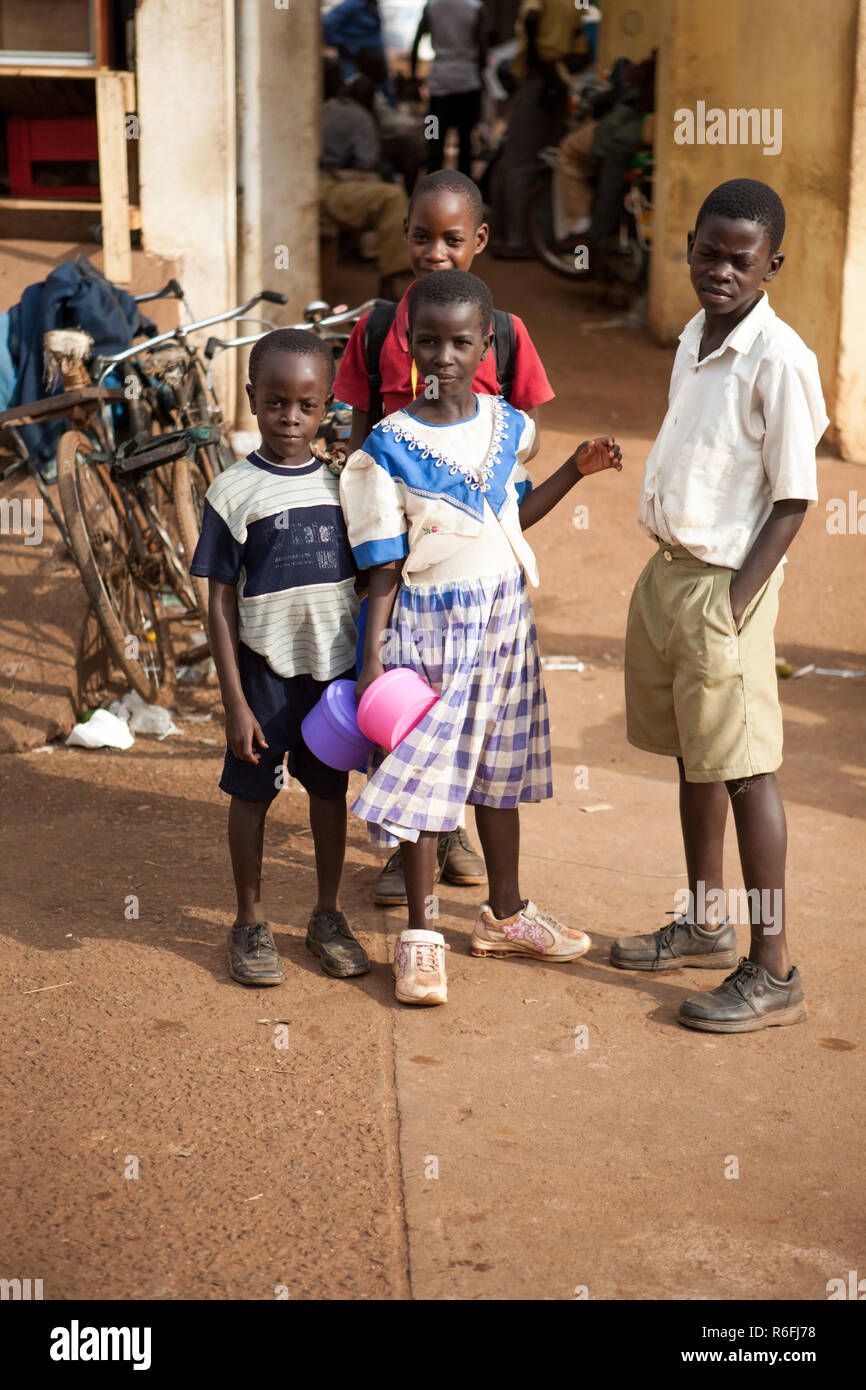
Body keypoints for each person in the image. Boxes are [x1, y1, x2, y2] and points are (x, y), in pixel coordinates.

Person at [340, 269, 622, 1004]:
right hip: (429, 631)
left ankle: (504, 913)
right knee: (427, 786)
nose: (442, 358)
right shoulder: (385, 449)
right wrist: (372, 661)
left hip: (504, 623)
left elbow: (510, 521)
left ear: (486, 343)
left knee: (500, 774)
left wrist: (575, 471)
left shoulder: (508, 428)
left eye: (460, 342)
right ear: (406, 346)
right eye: (426, 342)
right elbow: (382, 569)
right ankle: (422, 938)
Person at [615, 179, 828, 1033]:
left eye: (742, 259)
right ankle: (707, 921)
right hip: (672, 573)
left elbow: (793, 498)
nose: (721, 270)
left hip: (725, 585)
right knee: (695, 757)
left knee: (745, 768)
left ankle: (773, 968)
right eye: (707, 252)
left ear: (771, 264)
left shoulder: (782, 360)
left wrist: (735, 605)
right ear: (689, 247)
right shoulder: (696, 335)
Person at [332, 168, 555, 906]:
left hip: (474, 560)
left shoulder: (509, 333)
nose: (434, 252)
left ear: (479, 242)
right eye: (421, 237)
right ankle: (406, 848)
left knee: (478, 724)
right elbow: (359, 429)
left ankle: (452, 836)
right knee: (403, 699)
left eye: (452, 239)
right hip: (398, 540)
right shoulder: (374, 329)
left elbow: (517, 444)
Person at [189, 330, 370, 988]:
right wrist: (235, 702)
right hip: (262, 675)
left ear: (325, 407)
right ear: (251, 400)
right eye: (274, 403)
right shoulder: (232, 492)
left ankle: (326, 915)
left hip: (330, 678)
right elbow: (218, 600)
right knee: (251, 792)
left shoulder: (345, 486)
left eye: (306, 405)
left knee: (328, 791)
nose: (290, 419)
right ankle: (250, 921)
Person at [490, 0, 591, 259]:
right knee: (544, 162)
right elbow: (582, 51)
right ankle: (538, 237)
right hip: (556, 84)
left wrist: (545, 67)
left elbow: (532, 17)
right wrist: (558, 71)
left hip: (539, 80)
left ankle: (519, 241)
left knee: (518, 166)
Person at [320, 57, 411, 300]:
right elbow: (366, 161)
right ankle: (387, 278)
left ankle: (361, 249)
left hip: (320, 178)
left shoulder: (321, 108)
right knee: (391, 193)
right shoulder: (359, 116)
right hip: (322, 183)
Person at [410, 0, 489, 177]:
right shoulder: (475, 7)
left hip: (439, 83)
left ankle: (431, 184)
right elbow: (482, 47)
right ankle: (464, 190)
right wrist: (481, 73)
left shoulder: (432, 5)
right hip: (467, 82)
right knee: (466, 141)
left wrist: (414, 79)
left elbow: (417, 41)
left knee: (434, 137)